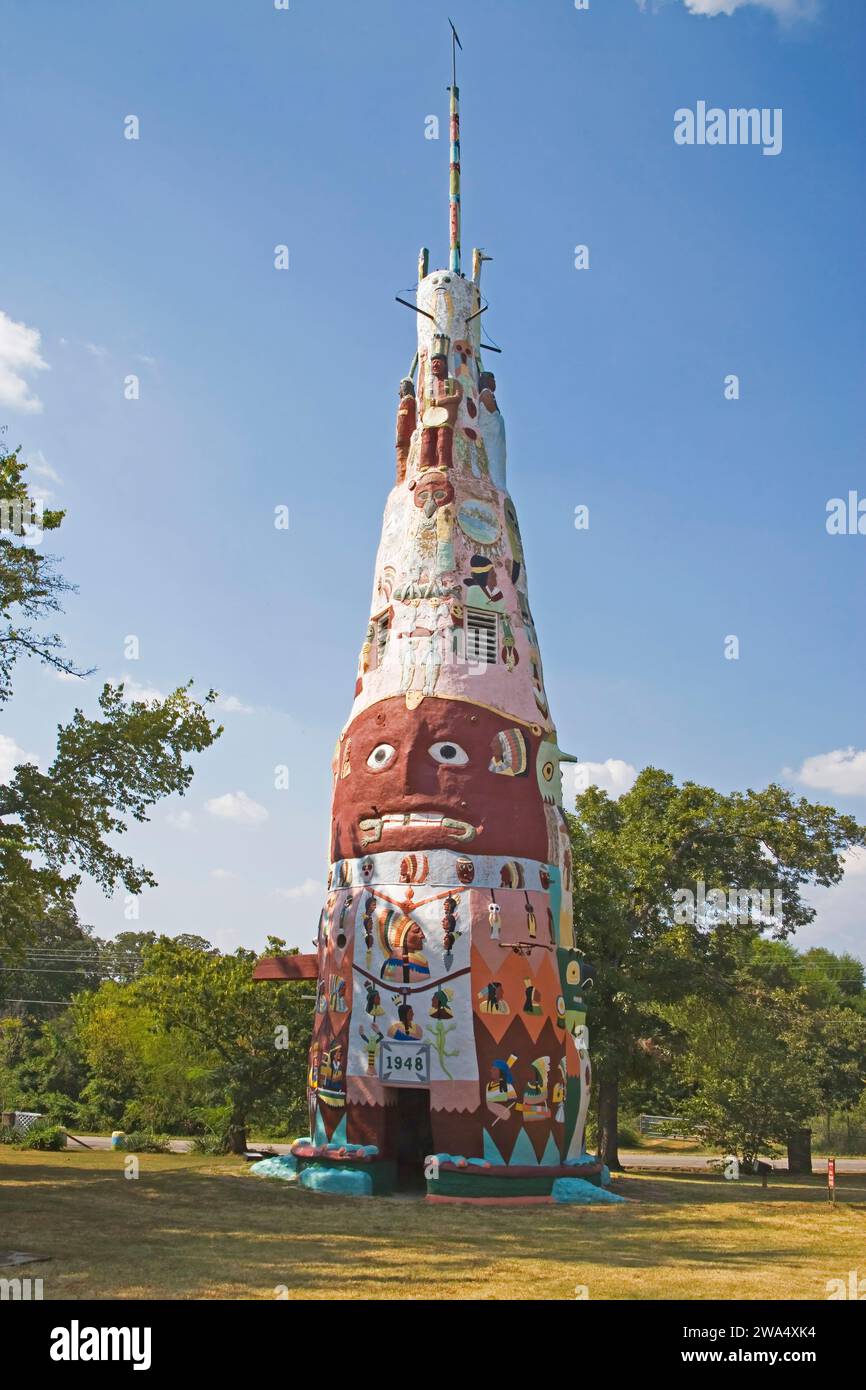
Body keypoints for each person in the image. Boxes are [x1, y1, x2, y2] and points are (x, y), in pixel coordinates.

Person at [420, 336, 463, 472]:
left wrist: (442, 401)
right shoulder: (428, 384)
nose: (435, 365)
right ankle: (425, 463)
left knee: (443, 436)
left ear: (445, 365)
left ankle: (444, 461)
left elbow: (458, 397)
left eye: (438, 362)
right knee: (427, 437)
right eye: (433, 363)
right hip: (430, 416)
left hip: (446, 416)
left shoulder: (453, 383)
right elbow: (422, 400)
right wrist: (422, 411)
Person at [395, 377, 416, 484]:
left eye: (402, 387)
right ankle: (401, 480)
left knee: (404, 458)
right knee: (401, 459)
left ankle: (402, 480)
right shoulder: (405, 401)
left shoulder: (409, 401)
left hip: (406, 437)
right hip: (401, 437)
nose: (399, 391)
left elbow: (407, 419)